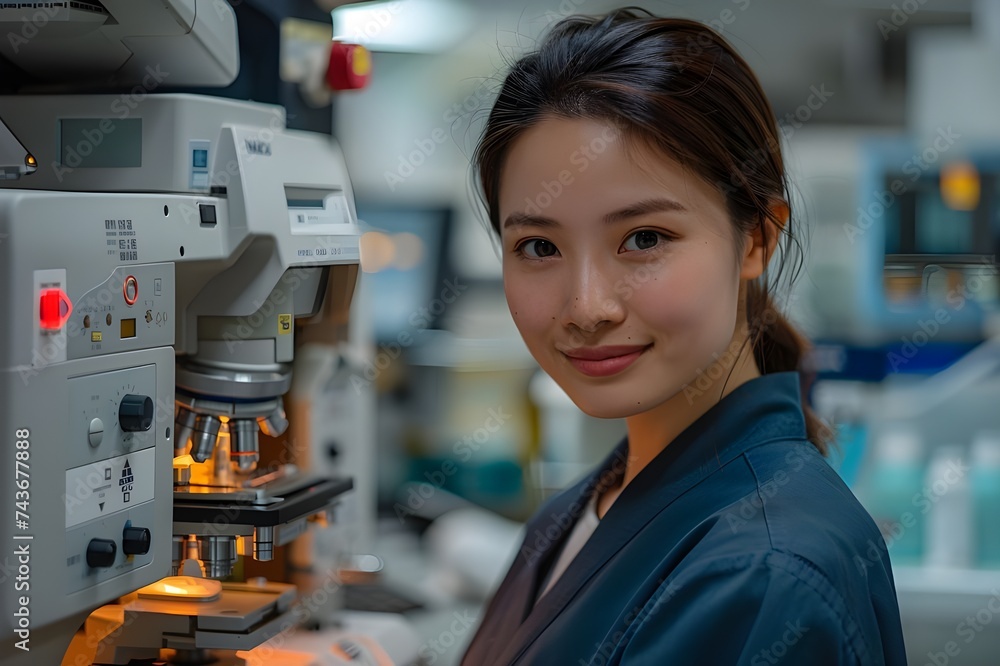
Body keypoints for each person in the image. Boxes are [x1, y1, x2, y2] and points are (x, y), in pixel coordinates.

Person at [460, 8, 907, 666]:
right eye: (539, 245)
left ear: (756, 238)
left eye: (644, 239)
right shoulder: (580, 513)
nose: (587, 307)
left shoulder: (763, 578)